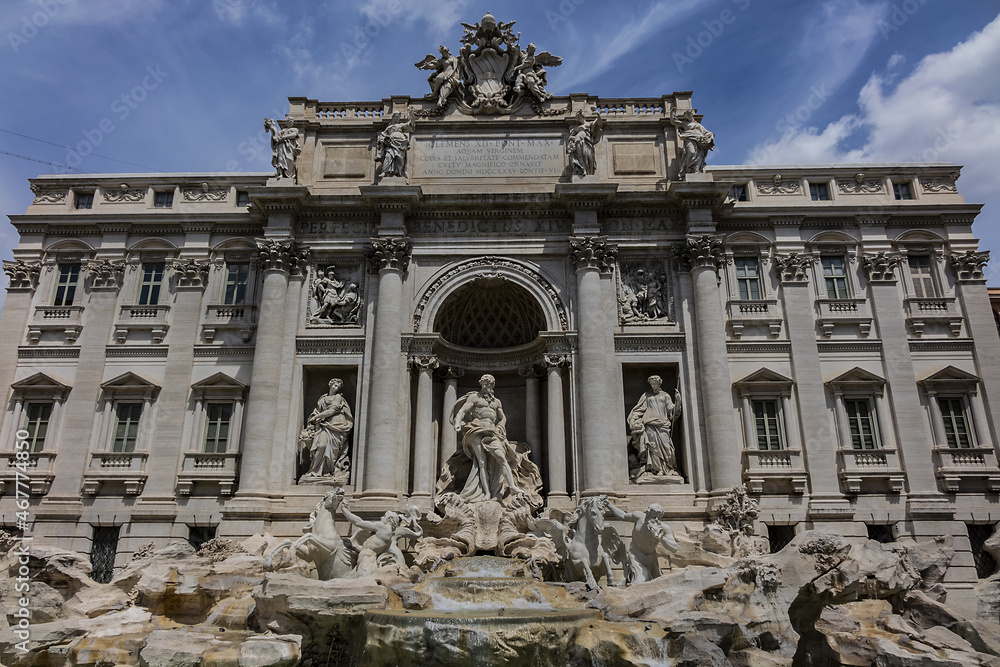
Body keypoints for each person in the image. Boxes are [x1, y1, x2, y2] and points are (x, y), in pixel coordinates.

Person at [452, 374, 525, 500]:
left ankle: (512, 486)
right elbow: (462, 411)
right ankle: (486, 493)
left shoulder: (496, 402)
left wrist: (500, 427)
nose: (488, 386)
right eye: (485, 383)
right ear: (481, 384)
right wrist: (458, 422)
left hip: (492, 432)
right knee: (481, 463)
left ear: (493, 385)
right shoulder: (475, 398)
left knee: (501, 458)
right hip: (477, 430)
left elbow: (503, 418)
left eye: (490, 383)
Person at [339, 501, 422, 578]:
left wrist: (344, 509)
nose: (381, 517)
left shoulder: (383, 528)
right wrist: (353, 546)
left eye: (384, 516)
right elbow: (369, 549)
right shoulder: (388, 537)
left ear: (390, 519)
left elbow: (358, 522)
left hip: (366, 564)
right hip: (365, 563)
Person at [606, 501, 678, 584]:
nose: (656, 520)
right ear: (647, 515)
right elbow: (622, 515)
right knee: (642, 581)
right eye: (654, 517)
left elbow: (674, 548)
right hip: (636, 556)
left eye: (659, 518)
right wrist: (608, 504)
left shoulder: (663, 528)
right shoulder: (639, 517)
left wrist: (661, 538)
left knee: (657, 582)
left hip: (651, 558)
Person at [627, 376, 682, 479]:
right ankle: (657, 470)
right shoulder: (646, 396)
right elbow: (639, 409)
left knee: (666, 447)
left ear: (659, 383)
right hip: (649, 423)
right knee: (653, 448)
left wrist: (678, 401)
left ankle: (668, 468)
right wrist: (633, 419)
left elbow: (673, 412)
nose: (653, 386)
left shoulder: (665, 396)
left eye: (655, 384)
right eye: (652, 384)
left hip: (663, 424)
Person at [302, 379, 353, 478]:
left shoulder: (338, 397)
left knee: (332, 449)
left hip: (337, 425)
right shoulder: (323, 398)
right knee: (321, 445)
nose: (336, 387)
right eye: (334, 385)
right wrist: (314, 417)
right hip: (324, 425)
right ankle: (315, 470)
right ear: (330, 385)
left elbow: (331, 411)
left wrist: (316, 417)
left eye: (338, 386)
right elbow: (317, 411)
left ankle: (327, 472)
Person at [669, 108, 715, 178]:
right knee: (691, 152)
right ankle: (688, 168)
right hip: (689, 138)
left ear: (691, 115)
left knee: (699, 155)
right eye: (687, 115)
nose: (688, 116)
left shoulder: (698, 125)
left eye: (689, 114)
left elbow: (706, 132)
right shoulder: (684, 124)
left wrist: (711, 135)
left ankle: (695, 170)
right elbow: (674, 122)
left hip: (699, 140)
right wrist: (672, 113)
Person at [375, 113, 415, 178]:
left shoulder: (401, 125)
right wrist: (384, 139)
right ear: (393, 117)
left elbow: (408, 125)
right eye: (396, 116)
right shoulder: (388, 127)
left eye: (399, 117)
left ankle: (399, 173)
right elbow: (382, 136)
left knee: (400, 158)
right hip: (391, 144)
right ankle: (384, 172)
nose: (398, 118)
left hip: (400, 143)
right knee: (388, 156)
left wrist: (412, 119)